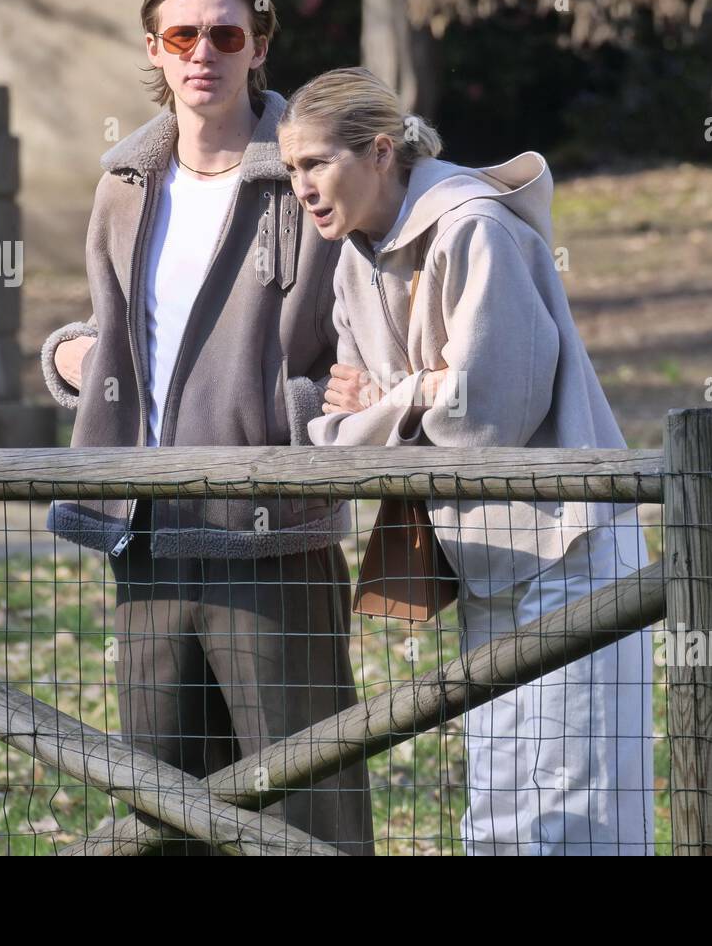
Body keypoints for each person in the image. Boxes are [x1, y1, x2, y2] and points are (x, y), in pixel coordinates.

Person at [40, 0, 373, 855]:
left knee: (306, 794)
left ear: (259, 46)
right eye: (183, 34)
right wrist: (75, 360)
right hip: (144, 535)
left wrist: (317, 402)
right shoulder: (123, 186)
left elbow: (369, 326)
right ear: (154, 49)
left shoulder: (306, 174)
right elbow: (138, 332)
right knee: (164, 804)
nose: (204, 53)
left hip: (270, 530)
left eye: (226, 34)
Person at [279, 67, 656, 855]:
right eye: (291, 169)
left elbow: (487, 414)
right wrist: (417, 392)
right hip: (483, 555)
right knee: (497, 809)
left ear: (380, 151)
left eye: (316, 163)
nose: (302, 186)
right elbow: (348, 412)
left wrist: (391, 400)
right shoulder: (353, 255)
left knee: (575, 812)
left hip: (571, 546)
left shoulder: (473, 228)